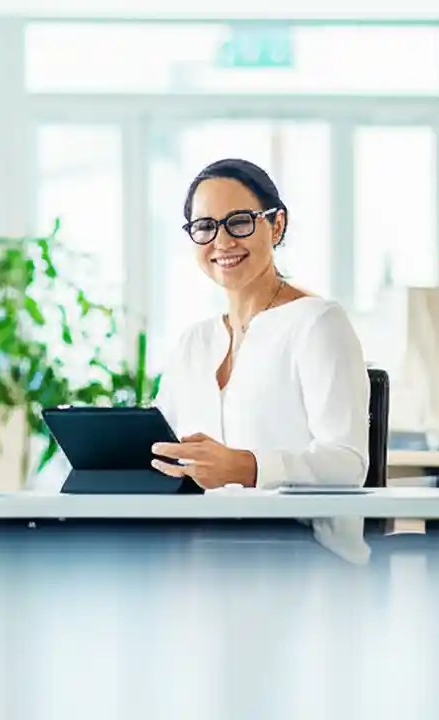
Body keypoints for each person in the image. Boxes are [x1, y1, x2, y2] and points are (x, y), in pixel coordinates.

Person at [149, 158, 371, 563]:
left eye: (239, 222)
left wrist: (250, 468)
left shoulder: (317, 322)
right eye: (205, 227)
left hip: (307, 560)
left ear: (277, 225)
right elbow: (160, 452)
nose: (222, 241)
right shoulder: (194, 342)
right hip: (206, 556)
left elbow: (348, 463)